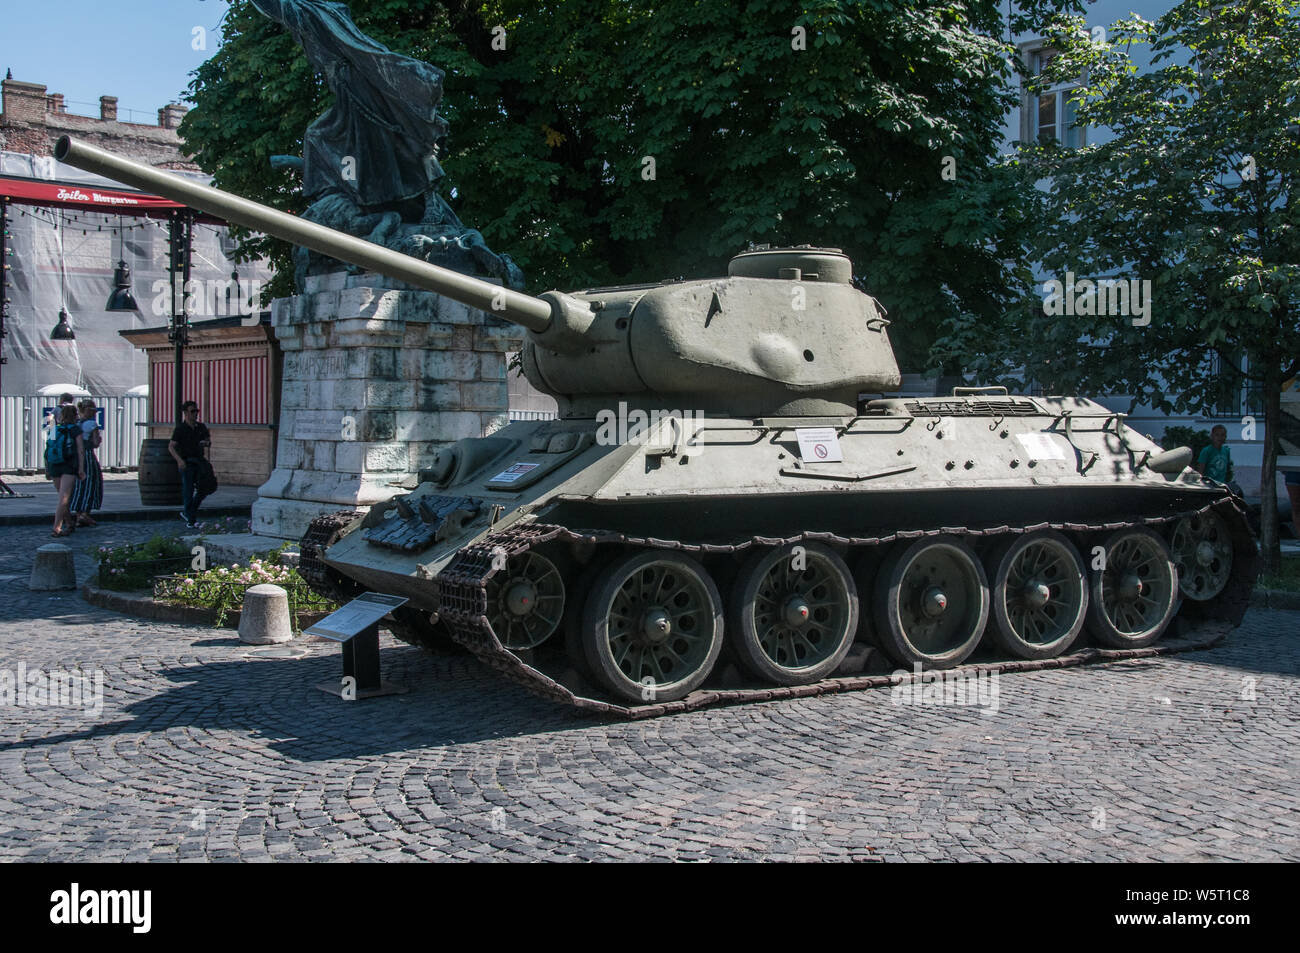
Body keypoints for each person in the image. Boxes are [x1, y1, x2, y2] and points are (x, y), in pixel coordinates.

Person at [169, 401, 212, 528]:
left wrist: (206, 443)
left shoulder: (201, 427)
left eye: (196, 411)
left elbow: (208, 441)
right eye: (193, 411)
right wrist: (179, 460)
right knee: (188, 489)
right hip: (186, 462)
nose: (195, 414)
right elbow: (171, 447)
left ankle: (189, 511)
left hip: (199, 460)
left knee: (206, 487)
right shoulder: (180, 429)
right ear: (186, 413)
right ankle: (190, 519)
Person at [46, 405, 85, 537]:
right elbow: (80, 450)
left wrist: (47, 469)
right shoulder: (75, 430)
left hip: (54, 465)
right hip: (68, 466)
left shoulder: (53, 429)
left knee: (62, 498)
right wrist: (81, 469)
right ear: (75, 415)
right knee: (64, 498)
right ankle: (56, 528)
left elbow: (47, 450)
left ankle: (69, 524)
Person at [70, 399, 104, 527]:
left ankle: (79, 515)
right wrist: (98, 440)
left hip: (75, 457)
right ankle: (85, 513)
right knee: (91, 483)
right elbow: (95, 443)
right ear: (90, 411)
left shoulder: (76, 422)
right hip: (88, 456)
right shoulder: (91, 424)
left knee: (79, 485)